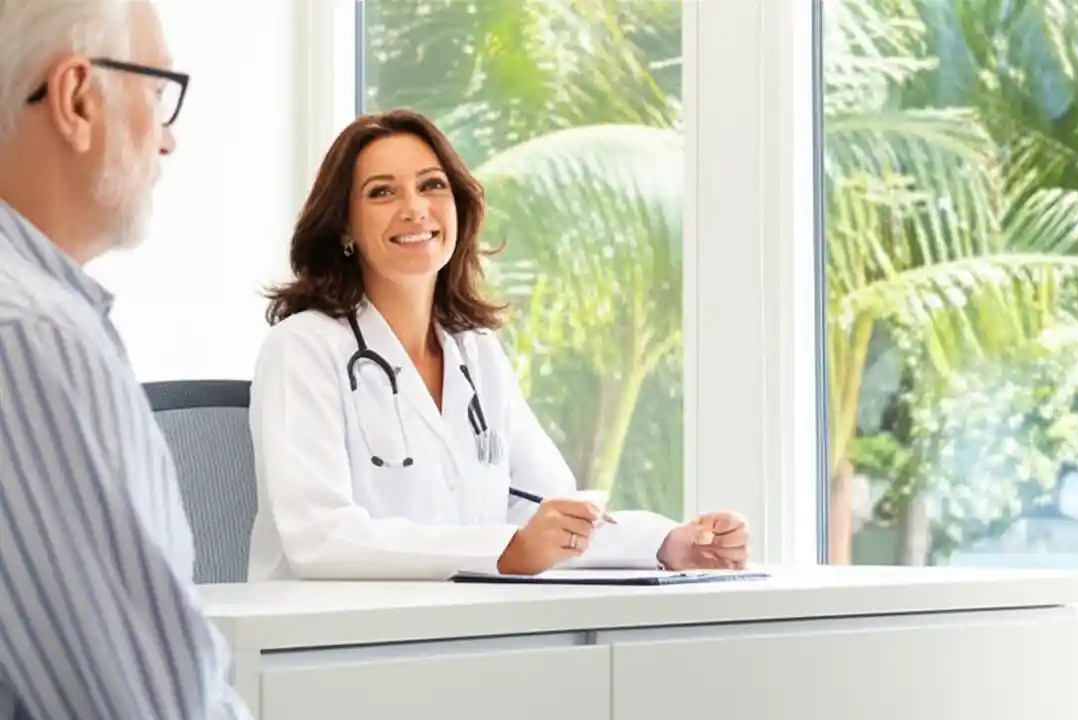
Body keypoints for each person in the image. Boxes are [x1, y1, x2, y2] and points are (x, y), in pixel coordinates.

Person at [248, 109, 749, 579]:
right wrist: (507, 551)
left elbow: (550, 511)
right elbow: (319, 537)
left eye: (432, 185)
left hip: (462, 625)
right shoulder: (303, 348)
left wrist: (667, 543)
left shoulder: (474, 350)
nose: (415, 209)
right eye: (382, 193)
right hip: (329, 632)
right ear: (344, 227)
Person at [0, 1, 251, 718]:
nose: (168, 140)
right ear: (78, 99)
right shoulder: (36, 338)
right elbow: (160, 708)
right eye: (158, 90)